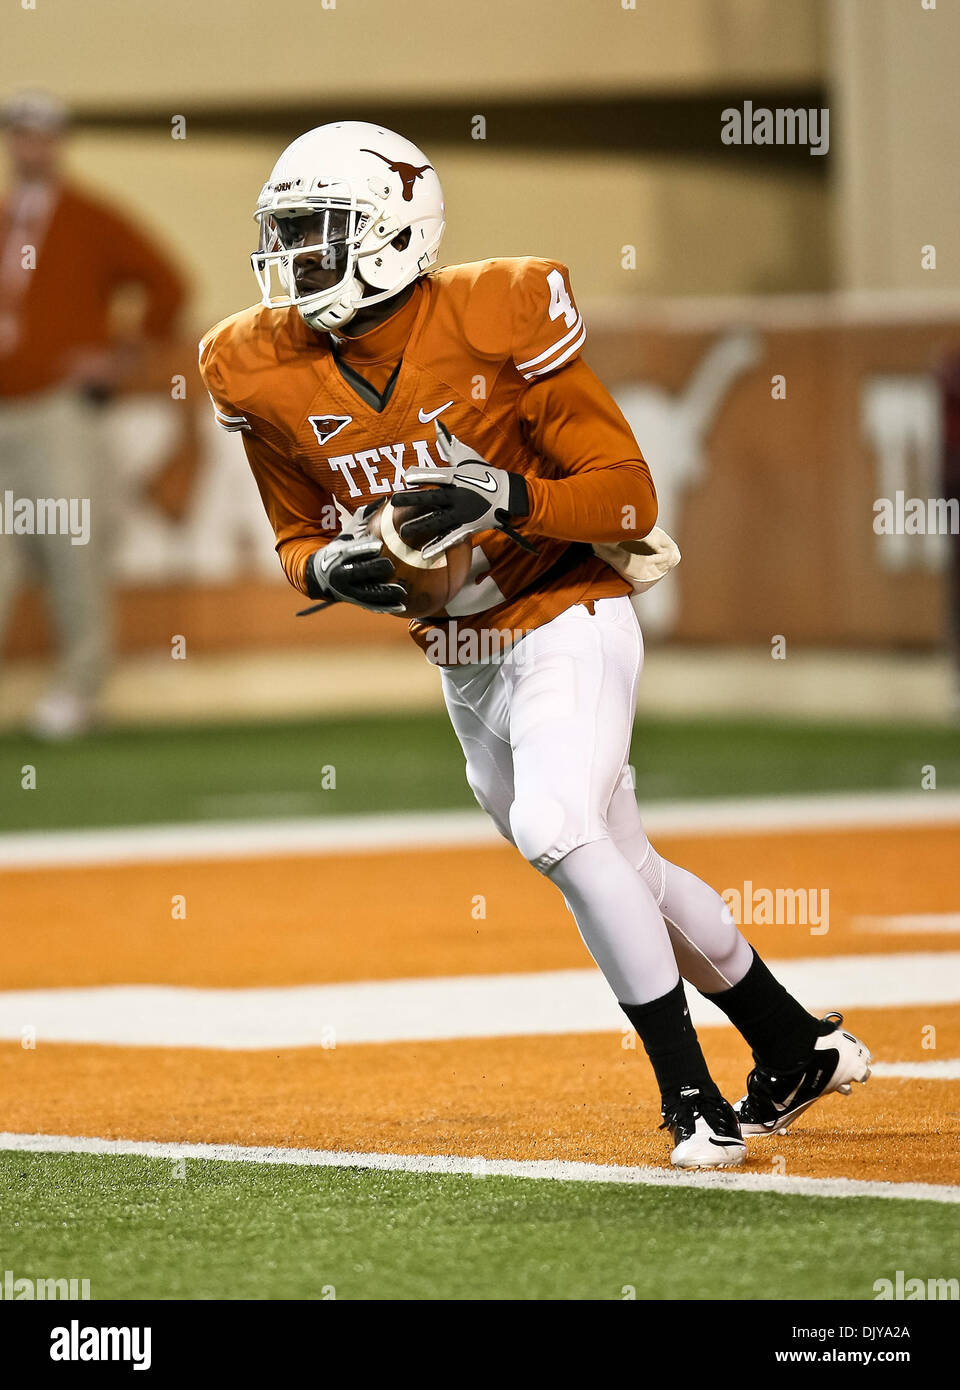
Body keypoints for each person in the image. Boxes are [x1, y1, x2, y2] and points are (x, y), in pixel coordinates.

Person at [199, 121, 872, 1168]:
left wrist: (506, 495)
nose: (292, 262)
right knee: (621, 864)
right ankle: (792, 1043)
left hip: (569, 611)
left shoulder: (497, 307)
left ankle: (692, 1099)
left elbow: (629, 494)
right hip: (462, 656)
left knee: (561, 826)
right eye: (283, 237)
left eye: (314, 236)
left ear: (389, 233)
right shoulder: (254, 363)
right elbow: (296, 537)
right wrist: (331, 571)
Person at [0, 90, 186, 738]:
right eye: (22, 134)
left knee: (69, 547)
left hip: (57, 412)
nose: (32, 147)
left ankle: (81, 689)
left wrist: (119, 356)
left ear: (60, 143)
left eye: (44, 135)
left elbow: (168, 283)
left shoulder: (90, 218)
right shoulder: (2, 217)